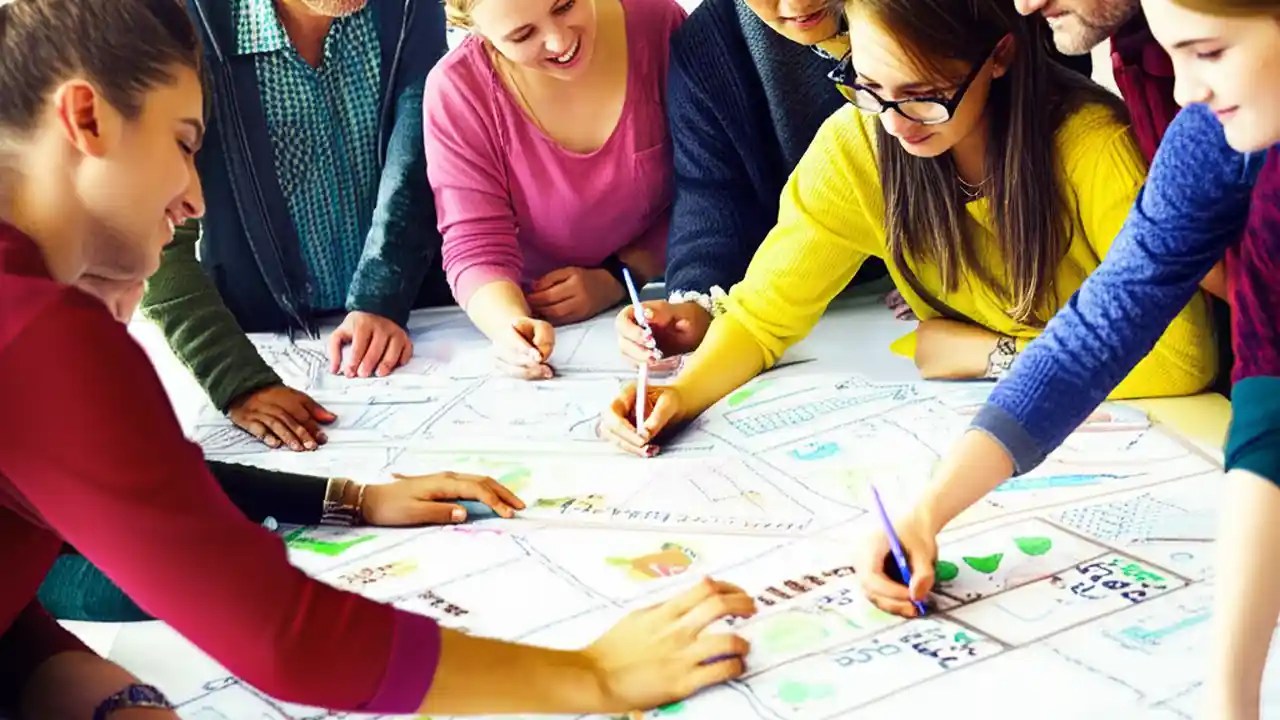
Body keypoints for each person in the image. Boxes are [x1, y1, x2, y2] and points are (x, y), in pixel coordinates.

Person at [0, 2, 754, 717]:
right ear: (86, 118)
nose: (195, 197)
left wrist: (350, 499)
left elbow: (99, 498)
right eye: (186, 143)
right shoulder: (40, 331)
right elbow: (287, 639)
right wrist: (592, 676)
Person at [847, 0, 1280, 715]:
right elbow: (1104, 324)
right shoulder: (1223, 132)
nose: (1183, 95)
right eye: (1174, 57)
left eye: (1206, 53)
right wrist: (930, 508)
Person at [598, 0, 1217, 456]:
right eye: (868, 87)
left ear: (998, 57)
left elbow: (1181, 358)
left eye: (924, 94)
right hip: (1008, 433)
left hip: (1147, 437)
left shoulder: (1092, 148)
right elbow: (762, 318)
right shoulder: (858, 143)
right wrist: (679, 399)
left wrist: (988, 355)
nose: (896, 123)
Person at [613, 0, 1090, 368]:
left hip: (987, 297)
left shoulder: (950, 15)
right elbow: (712, 192)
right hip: (818, 308)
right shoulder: (708, 49)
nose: (799, 4)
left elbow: (1045, 100)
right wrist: (696, 300)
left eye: (915, 95)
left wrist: (938, 256)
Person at [137, 0, 457, 454]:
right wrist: (238, 382)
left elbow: (418, 157)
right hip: (265, 339)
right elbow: (156, 236)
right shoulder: (182, 26)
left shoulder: (410, 9)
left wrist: (382, 299)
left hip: (418, 325)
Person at [423, 0, 683, 380]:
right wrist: (509, 327)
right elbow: (474, 241)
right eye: (523, 35)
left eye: (565, 5)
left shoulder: (660, 24)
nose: (559, 42)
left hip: (654, 295)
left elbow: (709, 188)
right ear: (474, 29)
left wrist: (619, 275)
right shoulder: (458, 89)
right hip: (547, 319)